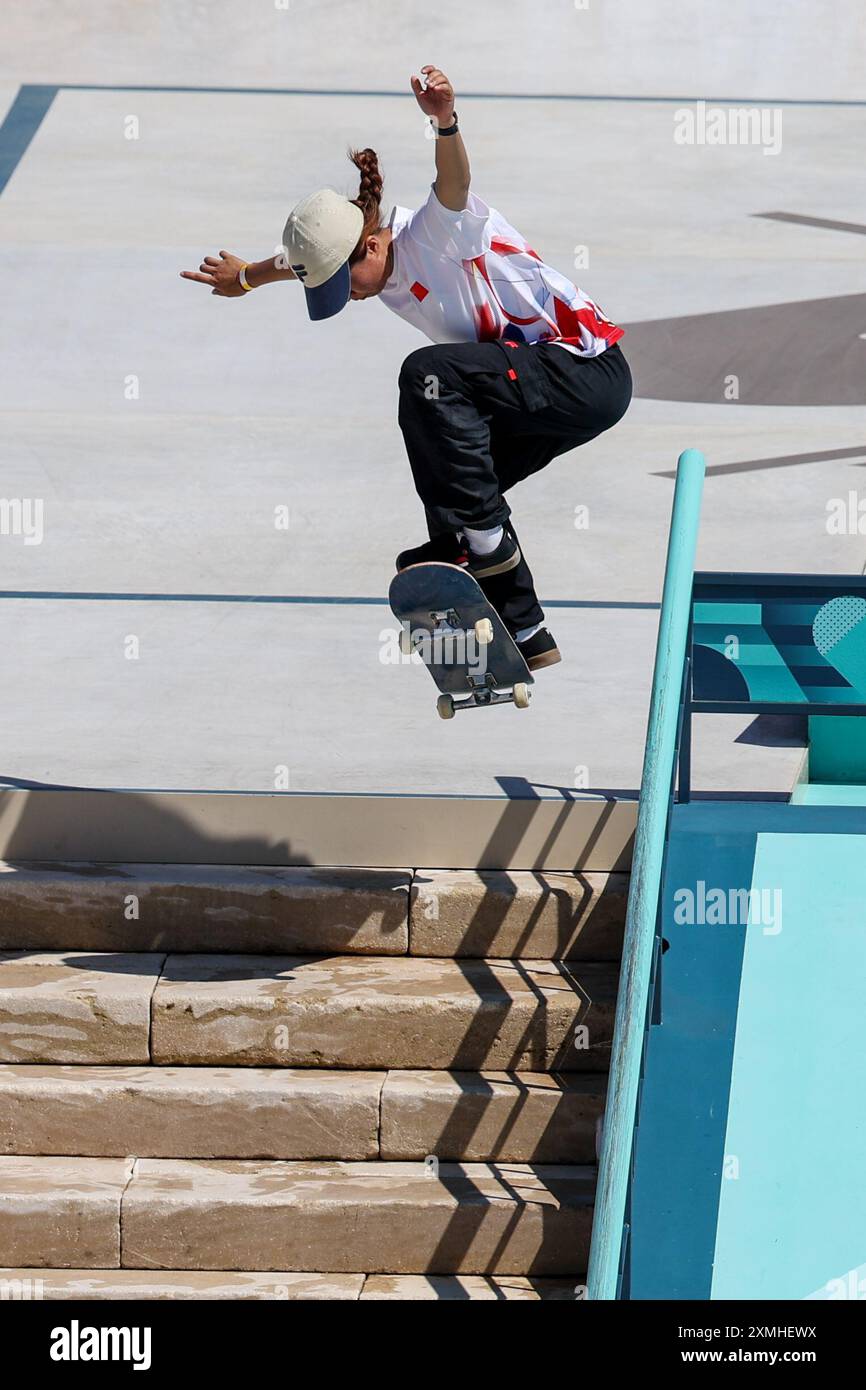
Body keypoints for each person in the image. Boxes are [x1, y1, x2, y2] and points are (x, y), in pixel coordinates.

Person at [181, 65, 632, 670]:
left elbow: (455, 180)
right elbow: (305, 263)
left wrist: (444, 122)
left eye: (350, 282)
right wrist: (246, 277)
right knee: (450, 481)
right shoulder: (363, 255)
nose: (354, 295)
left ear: (371, 243)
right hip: (532, 391)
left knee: (429, 375)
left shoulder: (435, 230)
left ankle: (490, 546)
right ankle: (526, 629)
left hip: (583, 369)